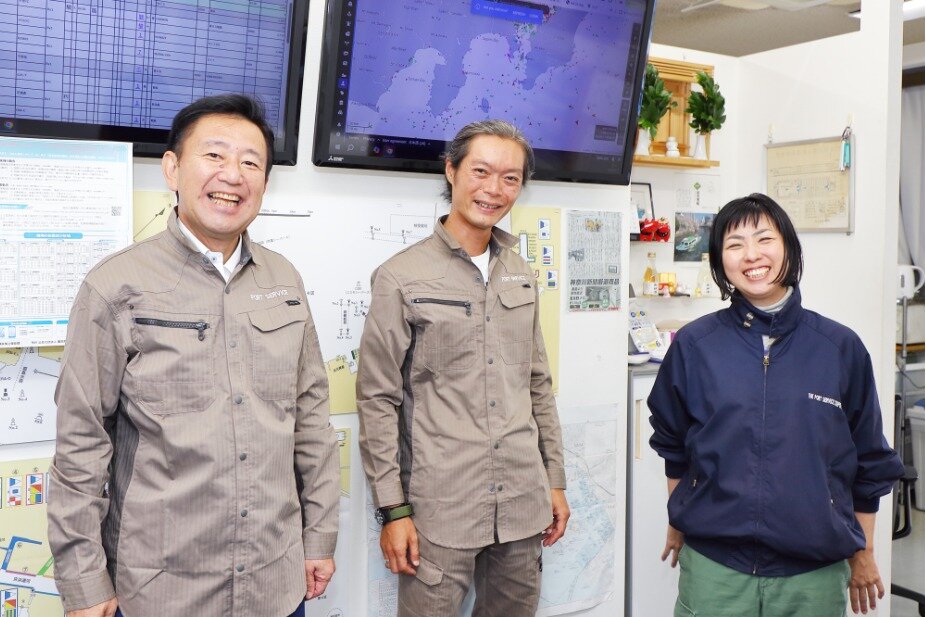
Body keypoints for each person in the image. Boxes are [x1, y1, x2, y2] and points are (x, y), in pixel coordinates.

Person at [47, 94, 340, 617]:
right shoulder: (114, 286)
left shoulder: (284, 280)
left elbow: (311, 420)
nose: (233, 175)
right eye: (214, 155)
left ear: (264, 182)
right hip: (162, 590)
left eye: (250, 162)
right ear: (172, 168)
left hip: (274, 583)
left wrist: (318, 535)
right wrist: (85, 581)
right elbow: (80, 445)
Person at [648, 193, 904, 617]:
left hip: (813, 572)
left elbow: (870, 461)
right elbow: (673, 445)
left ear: (788, 246)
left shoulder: (839, 347)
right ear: (720, 261)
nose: (752, 255)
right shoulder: (696, 345)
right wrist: (679, 522)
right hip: (716, 567)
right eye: (735, 244)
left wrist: (864, 552)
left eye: (764, 239)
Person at [356, 119, 569, 616]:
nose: (494, 189)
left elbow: (537, 384)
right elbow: (377, 399)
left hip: (523, 503)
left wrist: (554, 480)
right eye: (481, 171)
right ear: (451, 171)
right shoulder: (400, 276)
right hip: (441, 511)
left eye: (510, 178)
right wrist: (393, 510)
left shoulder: (520, 272)